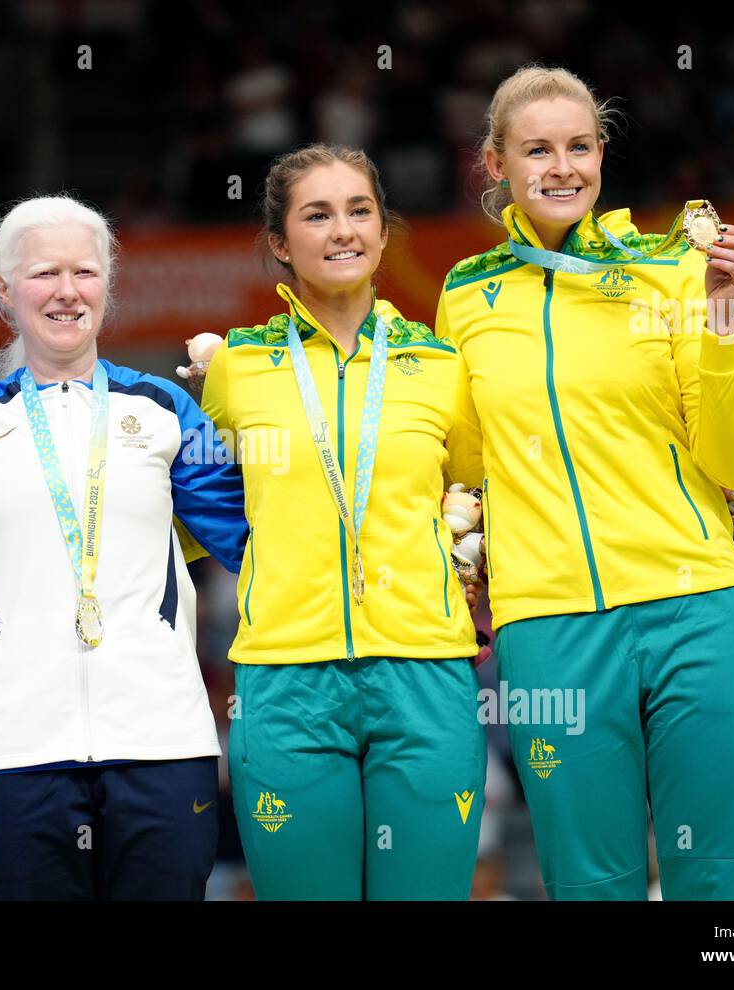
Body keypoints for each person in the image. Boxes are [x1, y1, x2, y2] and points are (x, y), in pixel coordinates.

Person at [435, 65, 734, 899]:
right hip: (549, 628)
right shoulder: (466, 297)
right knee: (591, 883)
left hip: (697, 610)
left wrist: (725, 317)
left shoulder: (671, 270)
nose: (562, 167)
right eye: (537, 149)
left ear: (602, 154)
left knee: (719, 876)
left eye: (579, 146)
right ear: (495, 164)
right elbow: (467, 470)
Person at [0, 195, 248, 900]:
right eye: (44, 273)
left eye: (86, 271)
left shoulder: (165, 411)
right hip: (18, 750)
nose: (67, 291)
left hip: (162, 743)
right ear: (3, 290)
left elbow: (245, 539)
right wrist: (9, 600)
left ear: (107, 286)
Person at [198, 145, 486, 900]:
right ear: (279, 244)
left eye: (360, 211)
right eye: (316, 214)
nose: (342, 230)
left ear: (385, 233)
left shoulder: (442, 366)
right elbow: (198, 507)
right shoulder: (237, 368)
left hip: (424, 669)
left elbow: (482, 490)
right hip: (287, 675)